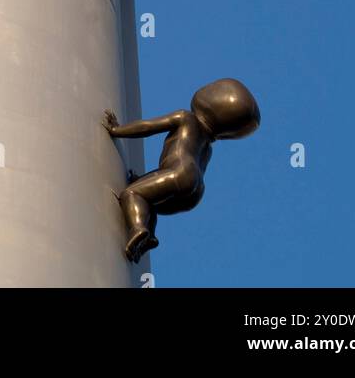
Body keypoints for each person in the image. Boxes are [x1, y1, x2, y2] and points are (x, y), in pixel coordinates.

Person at [104, 77, 260, 261]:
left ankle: (138, 227)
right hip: (195, 190)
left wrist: (117, 130)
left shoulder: (185, 118)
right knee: (150, 200)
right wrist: (143, 179)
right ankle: (149, 238)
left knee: (132, 194)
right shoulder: (207, 148)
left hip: (180, 172)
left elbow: (148, 127)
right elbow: (180, 173)